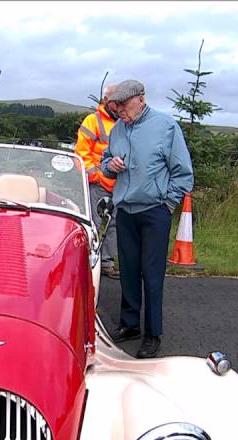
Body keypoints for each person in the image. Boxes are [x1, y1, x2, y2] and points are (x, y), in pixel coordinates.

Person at [100, 79, 194, 359]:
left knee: (151, 276)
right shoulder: (118, 129)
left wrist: (167, 204)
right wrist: (110, 165)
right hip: (125, 211)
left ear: (141, 98)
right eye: (117, 108)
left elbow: (183, 172)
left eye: (125, 106)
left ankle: (153, 334)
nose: (121, 113)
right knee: (128, 271)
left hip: (154, 212)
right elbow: (105, 162)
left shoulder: (166, 127)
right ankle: (130, 325)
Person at [76, 84, 121, 279]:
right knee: (94, 223)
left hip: (121, 185)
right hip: (98, 183)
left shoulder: (126, 122)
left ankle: (107, 262)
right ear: (106, 101)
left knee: (115, 224)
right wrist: (96, 176)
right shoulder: (92, 121)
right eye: (116, 101)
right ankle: (89, 262)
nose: (119, 106)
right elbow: (81, 153)